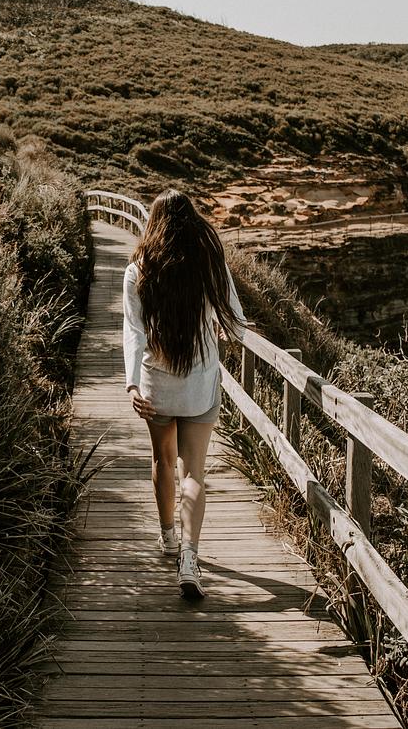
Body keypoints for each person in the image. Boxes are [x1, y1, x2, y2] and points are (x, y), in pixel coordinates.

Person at [122, 188, 248, 599]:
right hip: (199, 383)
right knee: (194, 469)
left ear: (153, 223)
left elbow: (133, 332)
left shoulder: (139, 268)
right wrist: (214, 332)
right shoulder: (208, 263)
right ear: (193, 222)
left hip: (156, 386)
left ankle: (168, 538)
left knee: (162, 459)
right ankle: (190, 558)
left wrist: (132, 383)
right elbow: (238, 323)